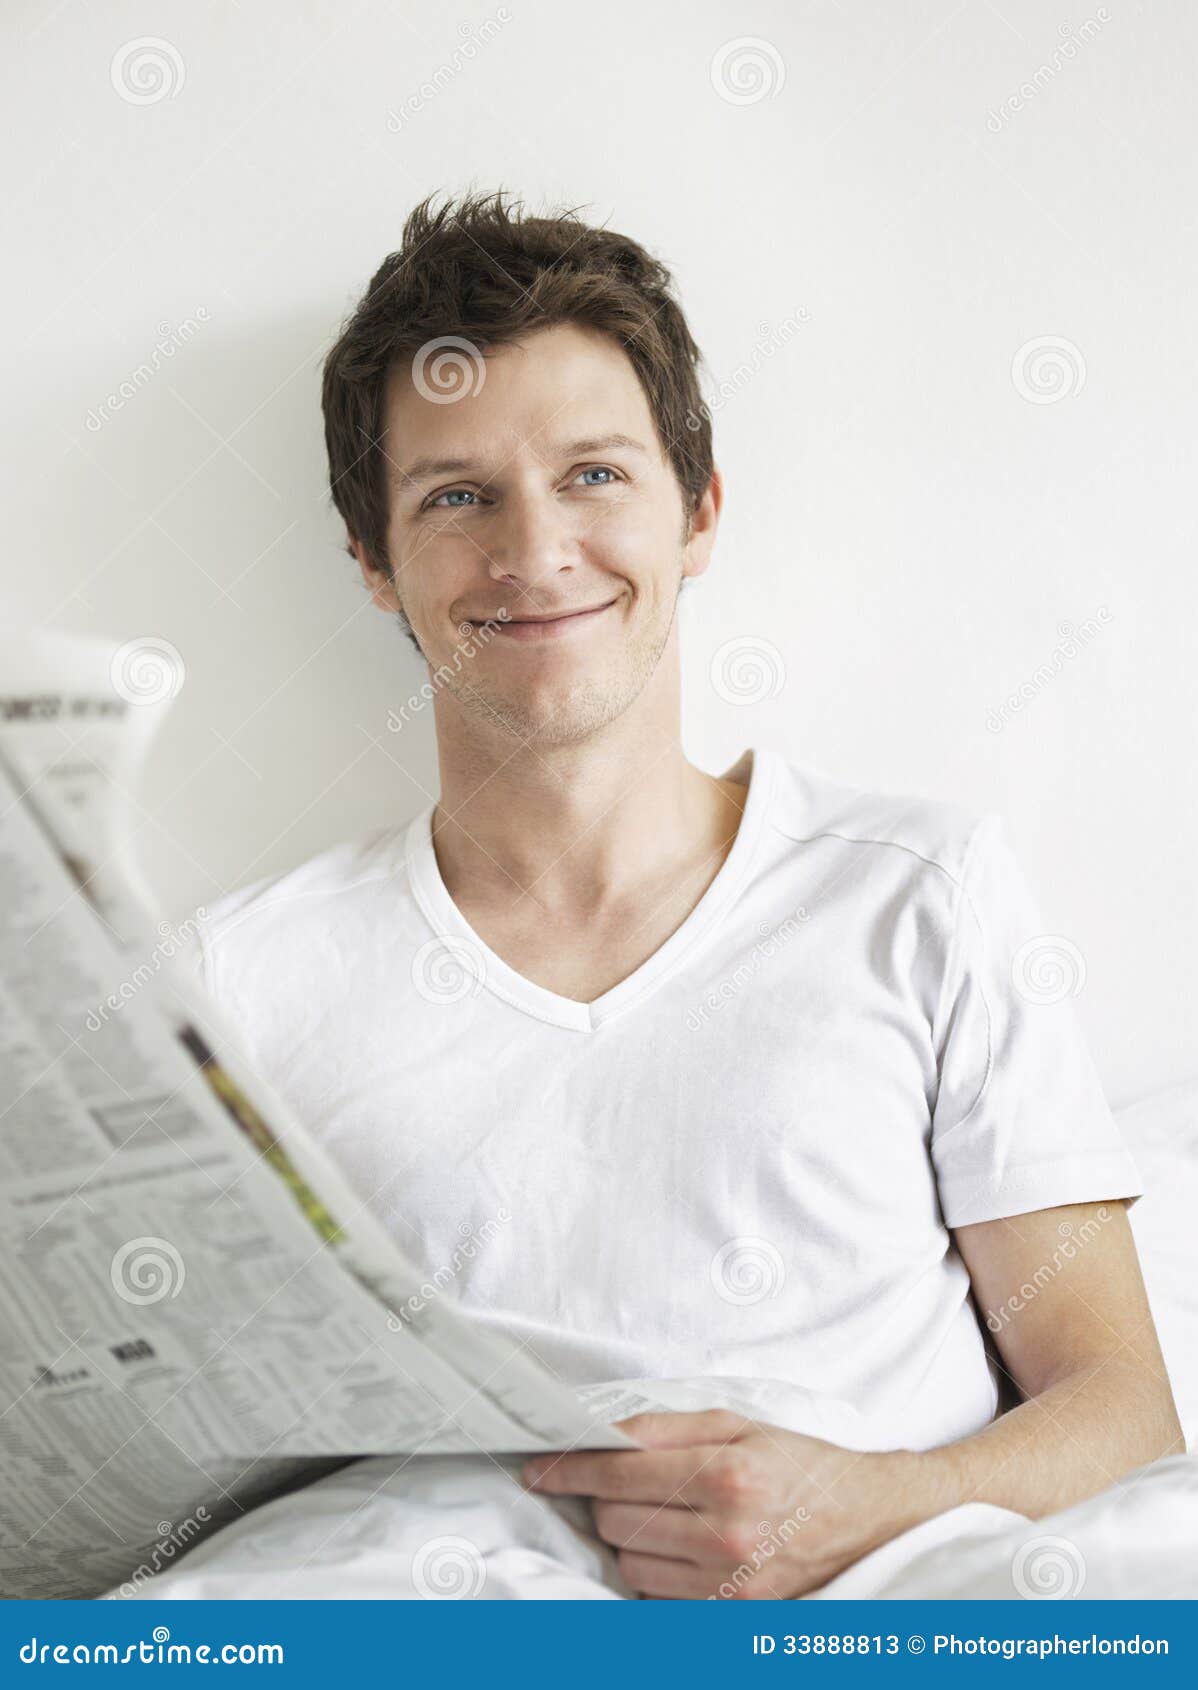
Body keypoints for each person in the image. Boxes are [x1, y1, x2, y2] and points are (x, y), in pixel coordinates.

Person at [161, 191, 1181, 1600]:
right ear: (372, 559)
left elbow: (1123, 1409)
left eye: (593, 475)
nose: (533, 550)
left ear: (696, 513)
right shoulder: (239, 977)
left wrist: (871, 1504)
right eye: (456, 495)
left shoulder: (917, 895)